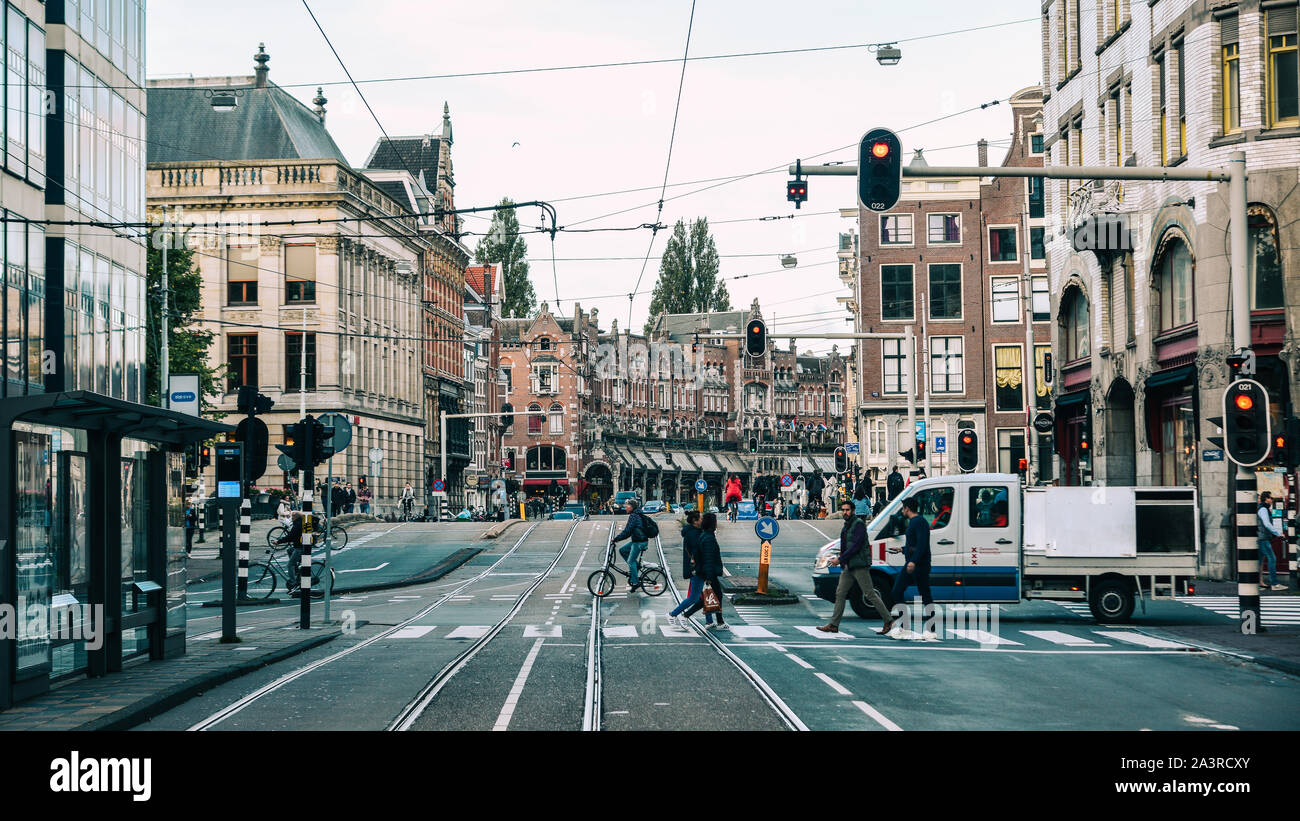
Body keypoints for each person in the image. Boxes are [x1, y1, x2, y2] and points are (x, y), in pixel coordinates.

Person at [818, 500, 894, 634]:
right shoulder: (847, 525)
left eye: (847, 510)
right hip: (849, 565)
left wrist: (840, 559)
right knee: (840, 593)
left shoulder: (858, 524)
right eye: (843, 510)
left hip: (859, 565)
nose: (845, 512)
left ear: (853, 511)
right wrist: (842, 561)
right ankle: (834, 624)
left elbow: (856, 546)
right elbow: (845, 545)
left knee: (870, 594)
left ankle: (888, 620)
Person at [680, 513, 729, 631]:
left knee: (715, 596)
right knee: (708, 598)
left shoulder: (705, 535)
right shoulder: (708, 538)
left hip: (706, 571)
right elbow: (708, 558)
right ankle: (685, 615)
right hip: (708, 572)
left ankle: (720, 621)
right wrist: (709, 576)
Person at [891, 496, 934, 618]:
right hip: (919, 563)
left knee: (897, 591)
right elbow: (915, 545)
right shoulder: (918, 522)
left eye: (903, 509)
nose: (902, 511)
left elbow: (922, 544)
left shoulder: (918, 522)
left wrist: (913, 561)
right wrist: (902, 549)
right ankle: (932, 623)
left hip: (917, 565)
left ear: (907, 508)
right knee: (925, 594)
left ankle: (904, 622)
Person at [667, 511, 704, 628]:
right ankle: (673, 614)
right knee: (695, 597)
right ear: (695, 521)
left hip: (698, 568)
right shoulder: (693, 534)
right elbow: (698, 552)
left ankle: (710, 621)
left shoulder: (695, 532)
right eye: (701, 518)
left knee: (705, 596)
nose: (702, 520)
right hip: (696, 568)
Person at [610, 498, 651, 592]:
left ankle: (635, 582)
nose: (625, 508)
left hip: (639, 542)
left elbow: (627, 531)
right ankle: (636, 567)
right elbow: (628, 531)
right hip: (638, 541)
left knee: (631, 560)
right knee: (622, 550)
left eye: (627, 506)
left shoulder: (634, 516)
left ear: (632, 507)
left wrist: (616, 539)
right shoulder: (636, 515)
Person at [1258, 492, 1287, 591]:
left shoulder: (1262, 508)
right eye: (1271, 498)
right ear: (1266, 499)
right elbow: (1266, 523)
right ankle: (1274, 584)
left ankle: (1259, 583)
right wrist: (1278, 533)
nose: (1272, 500)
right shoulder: (1263, 509)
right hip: (1263, 538)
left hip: (1261, 538)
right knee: (1272, 559)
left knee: (1260, 562)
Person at [274, 511, 305, 594]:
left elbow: (290, 536)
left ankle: (294, 582)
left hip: (300, 547)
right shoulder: (299, 523)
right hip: (299, 546)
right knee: (289, 550)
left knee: (289, 565)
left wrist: (279, 541)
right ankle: (297, 569)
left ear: (296, 517)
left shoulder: (297, 525)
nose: (291, 518)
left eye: (292, 516)